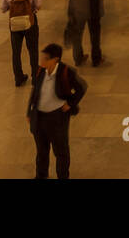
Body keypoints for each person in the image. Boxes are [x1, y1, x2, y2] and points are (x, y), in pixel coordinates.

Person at [26, 43, 87, 179]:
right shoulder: (40, 70)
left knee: (61, 152)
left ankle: (62, 176)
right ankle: (41, 176)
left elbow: (82, 87)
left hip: (57, 118)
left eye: (46, 58)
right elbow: (35, 91)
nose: (42, 61)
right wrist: (29, 112)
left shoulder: (66, 72)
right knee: (41, 152)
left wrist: (70, 103)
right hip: (40, 117)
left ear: (55, 59)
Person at [1, 0, 41, 86]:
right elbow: (38, 5)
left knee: (16, 52)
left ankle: (18, 78)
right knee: (33, 50)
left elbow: (3, 8)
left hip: (14, 24)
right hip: (30, 22)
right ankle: (35, 77)